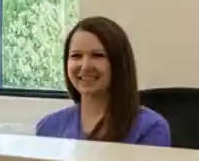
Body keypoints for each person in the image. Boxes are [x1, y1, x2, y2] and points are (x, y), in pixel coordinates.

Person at [35, 16, 171, 146]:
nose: (85, 66)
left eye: (97, 55)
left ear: (119, 63)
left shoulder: (150, 129)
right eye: (76, 56)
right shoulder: (48, 128)